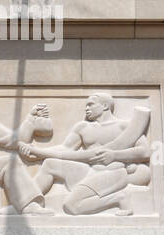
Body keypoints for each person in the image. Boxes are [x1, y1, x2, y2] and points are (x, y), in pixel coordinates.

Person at [18, 92, 151, 215]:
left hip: (112, 173)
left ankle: (118, 199)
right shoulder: (82, 127)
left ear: (104, 106)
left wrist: (115, 155)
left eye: (91, 104)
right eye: (86, 105)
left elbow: (144, 151)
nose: (86, 108)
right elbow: (66, 149)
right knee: (49, 164)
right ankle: (28, 202)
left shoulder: (123, 126)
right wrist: (38, 152)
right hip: (90, 171)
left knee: (71, 206)